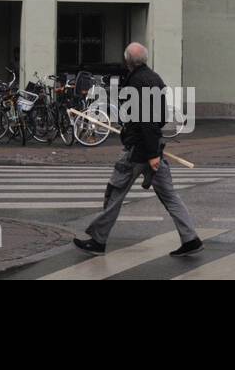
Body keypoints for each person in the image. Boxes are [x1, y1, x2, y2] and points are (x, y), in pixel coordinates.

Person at [73, 43, 203, 258]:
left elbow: (147, 120)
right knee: (170, 196)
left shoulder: (136, 82)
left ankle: (98, 240)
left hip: (138, 152)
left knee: (114, 193)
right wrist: (154, 151)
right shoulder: (155, 78)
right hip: (152, 149)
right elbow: (159, 118)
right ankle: (190, 239)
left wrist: (151, 154)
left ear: (127, 61)